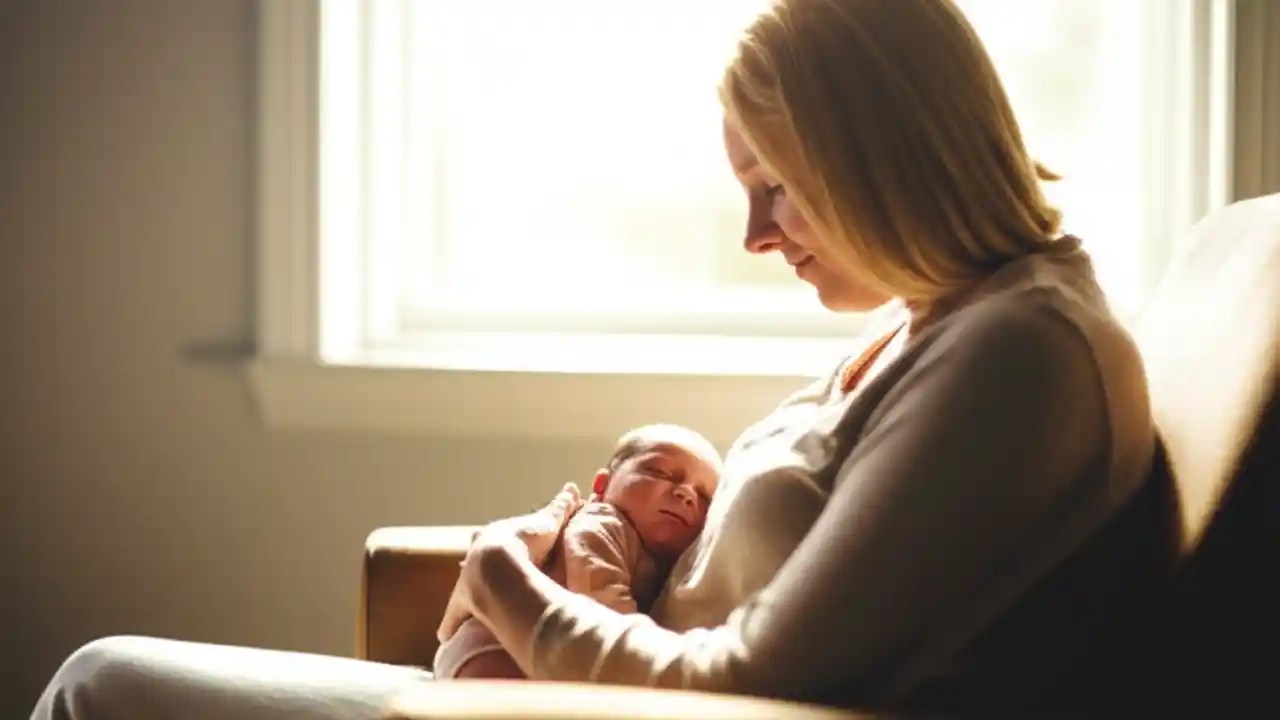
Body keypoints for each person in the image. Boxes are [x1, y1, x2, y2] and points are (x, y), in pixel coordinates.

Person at [31, 0, 1166, 716]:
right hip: (580, 691)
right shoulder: (934, 318)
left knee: (104, 685)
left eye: (775, 187)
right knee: (109, 674)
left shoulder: (1018, 356)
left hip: (629, 715)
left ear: (876, 156)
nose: (755, 236)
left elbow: (745, 682)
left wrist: (502, 582)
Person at [435, 424, 720, 679]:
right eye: (660, 472)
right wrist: (643, 647)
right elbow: (598, 592)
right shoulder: (603, 523)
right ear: (602, 485)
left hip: (540, 650)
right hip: (496, 646)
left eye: (705, 496)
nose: (686, 493)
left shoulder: (666, 564)